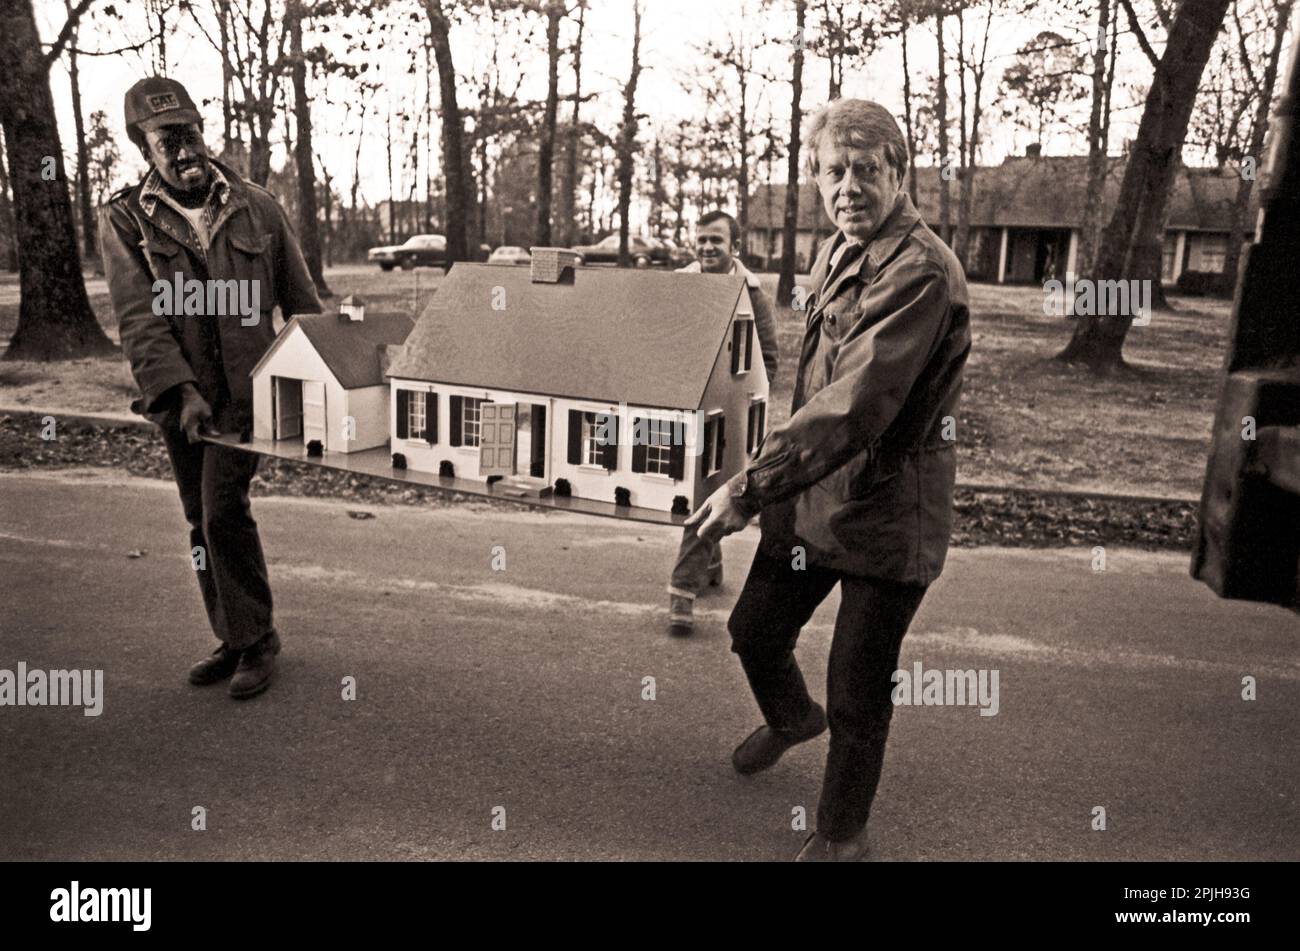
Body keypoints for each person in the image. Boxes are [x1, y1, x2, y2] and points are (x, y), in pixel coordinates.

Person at [687, 99, 971, 861]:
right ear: (815, 180)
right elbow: (813, 392)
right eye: (833, 172)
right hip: (813, 499)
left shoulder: (921, 273)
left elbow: (852, 407)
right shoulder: (837, 252)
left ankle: (844, 836)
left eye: (866, 170)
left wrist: (750, 488)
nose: (848, 186)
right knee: (754, 632)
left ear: (899, 172)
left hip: (887, 517)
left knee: (856, 688)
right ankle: (789, 718)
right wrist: (773, 480)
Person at [99, 77, 322, 699]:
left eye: (191, 134)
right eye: (167, 140)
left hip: (248, 395)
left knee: (223, 510)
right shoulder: (124, 220)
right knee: (199, 519)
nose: (185, 151)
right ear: (143, 148)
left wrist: (315, 386)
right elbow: (137, 317)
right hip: (181, 398)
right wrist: (178, 393)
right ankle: (232, 634)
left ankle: (258, 640)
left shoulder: (258, 207)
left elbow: (303, 307)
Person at [666, 211, 778, 637]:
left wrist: (752, 407)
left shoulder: (752, 294)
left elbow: (768, 357)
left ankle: (681, 590)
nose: (708, 247)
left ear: (735, 247)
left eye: (716, 240)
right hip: (685, 401)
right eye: (702, 240)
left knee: (706, 488)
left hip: (732, 408)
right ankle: (710, 563)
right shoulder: (681, 285)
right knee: (693, 486)